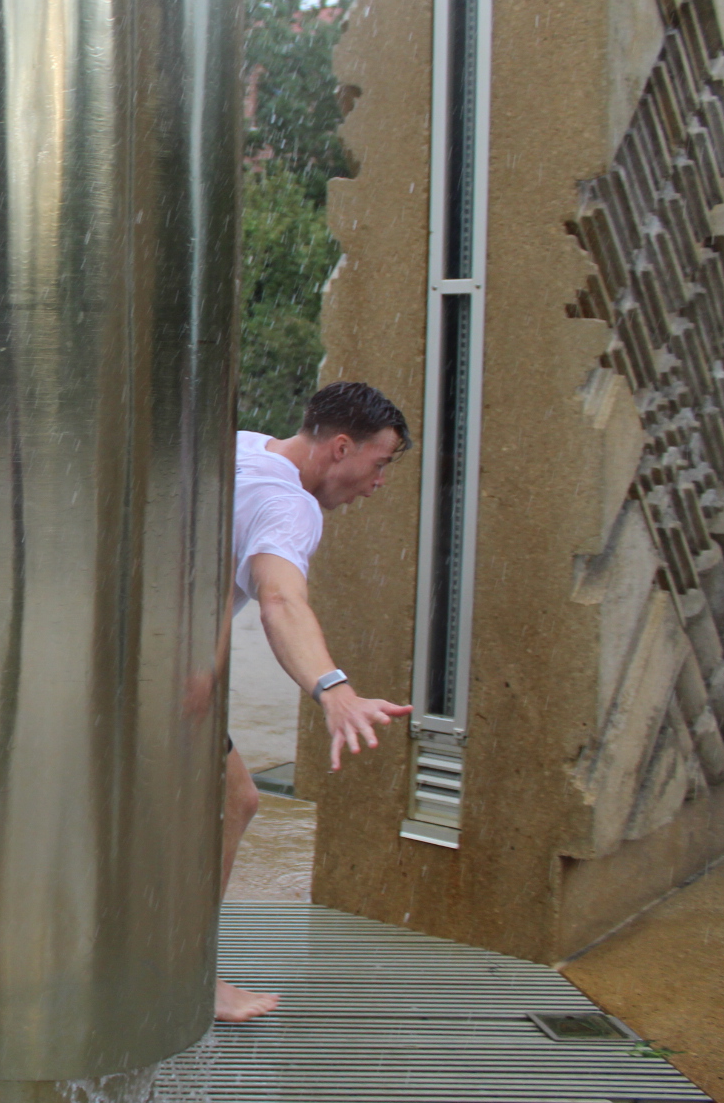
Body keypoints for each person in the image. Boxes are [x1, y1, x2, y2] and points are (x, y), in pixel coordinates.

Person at [216, 382, 414, 1023]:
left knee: (224, 800)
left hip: (110, 663)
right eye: (380, 464)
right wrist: (333, 689)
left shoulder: (242, 450)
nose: (378, 483)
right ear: (340, 447)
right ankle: (186, 973)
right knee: (231, 801)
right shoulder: (289, 504)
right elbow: (280, 599)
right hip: (147, 686)